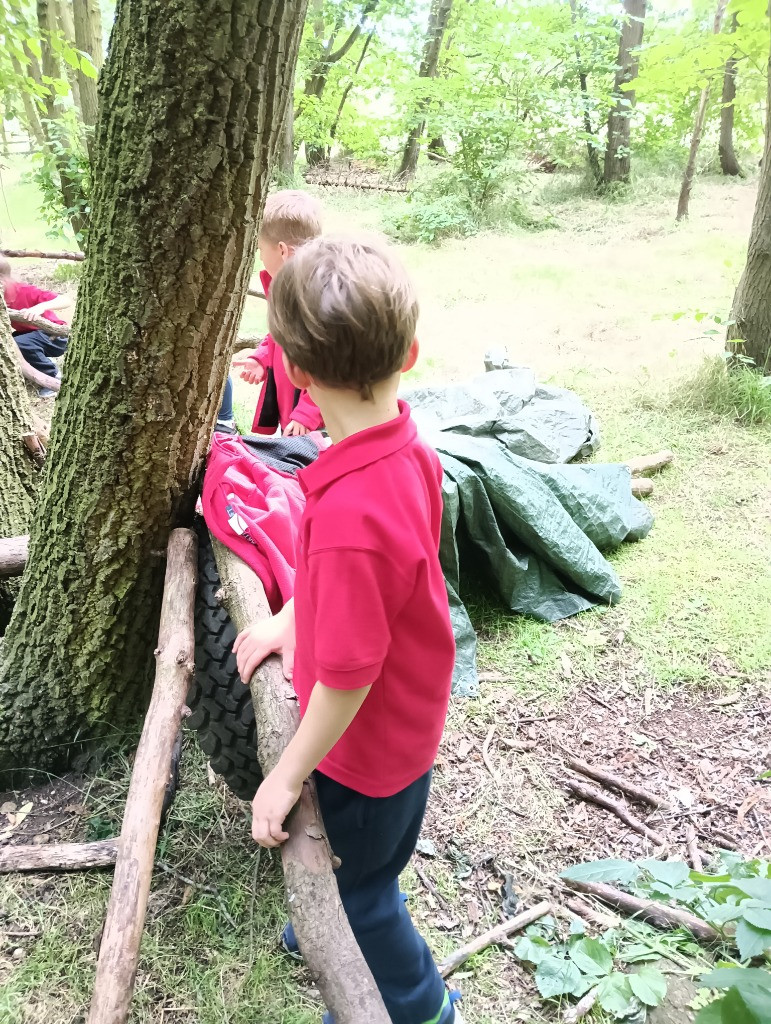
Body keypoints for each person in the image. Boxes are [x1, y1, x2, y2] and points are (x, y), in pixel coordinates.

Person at [233, 237, 463, 1024]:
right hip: (403, 728)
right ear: (411, 351)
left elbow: (348, 680)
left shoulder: (348, 517)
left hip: (364, 754)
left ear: (294, 373)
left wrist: (286, 776)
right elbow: (380, 583)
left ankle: (417, 1004)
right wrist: (291, 617)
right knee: (362, 870)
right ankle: (322, 922)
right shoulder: (405, 447)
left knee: (363, 891)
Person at [233, 190, 324, 437]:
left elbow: (329, 365)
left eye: (261, 249)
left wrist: (307, 413)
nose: (261, 258)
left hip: (317, 418)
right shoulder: (286, 290)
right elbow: (278, 333)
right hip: (290, 405)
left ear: (283, 251)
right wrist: (261, 358)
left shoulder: (313, 303)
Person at [0, 255, 70, 397]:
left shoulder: (25, 290)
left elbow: (65, 300)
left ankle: (52, 375)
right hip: (31, 335)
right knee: (9, 341)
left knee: (19, 344)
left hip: (55, 336)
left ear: (2, 279)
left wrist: (40, 307)